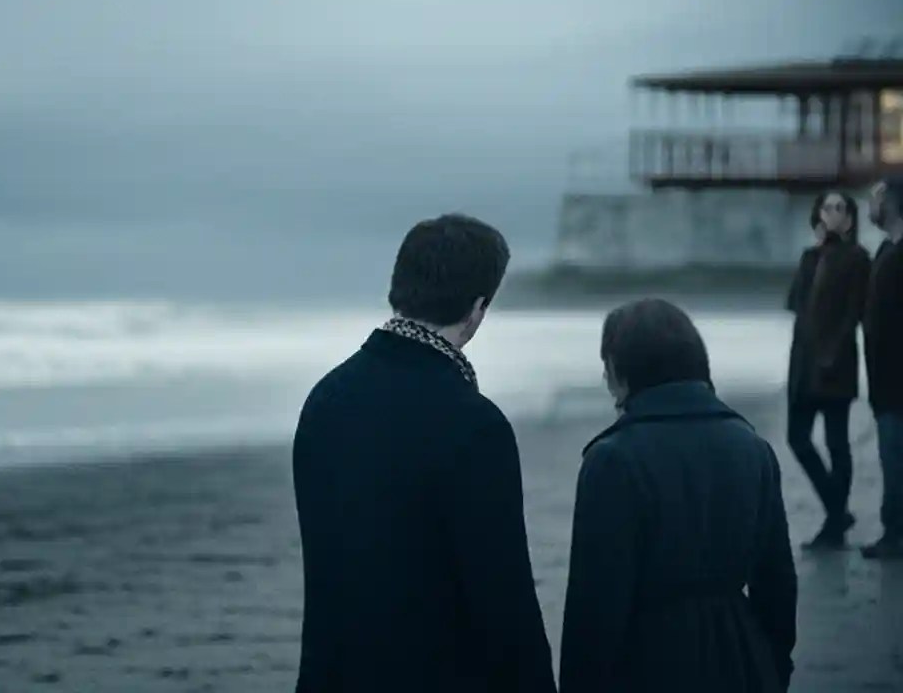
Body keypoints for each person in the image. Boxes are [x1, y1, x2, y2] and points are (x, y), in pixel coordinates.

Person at [292, 214, 555, 692]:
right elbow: (503, 598)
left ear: (399, 286)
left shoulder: (325, 400)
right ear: (477, 309)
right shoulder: (475, 424)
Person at [560, 299, 797, 693]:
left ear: (623, 369)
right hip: (740, 656)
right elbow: (777, 584)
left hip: (647, 662)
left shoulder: (613, 460)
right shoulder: (751, 447)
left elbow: (596, 607)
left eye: (607, 364)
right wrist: (772, 667)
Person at [785, 191, 871, 549]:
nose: (834, 213)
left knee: (837, 443)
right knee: (797, 438)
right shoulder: (810, 257)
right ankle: (838, 511)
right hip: (803, 364)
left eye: (841, 208)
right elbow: (794, 304)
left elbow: (854, 314)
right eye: (828, 207)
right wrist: (818, 251)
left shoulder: (858, 258)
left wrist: (831, 355)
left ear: (850, 219)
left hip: (836, 364)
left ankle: (834, 524)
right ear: (817, 214)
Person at [863, 177, 903, 559]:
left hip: (896, 386)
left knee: (896, 462)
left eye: (875, 198)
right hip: (885, 385)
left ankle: (896, 533)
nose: (869, 205)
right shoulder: (885, 251)